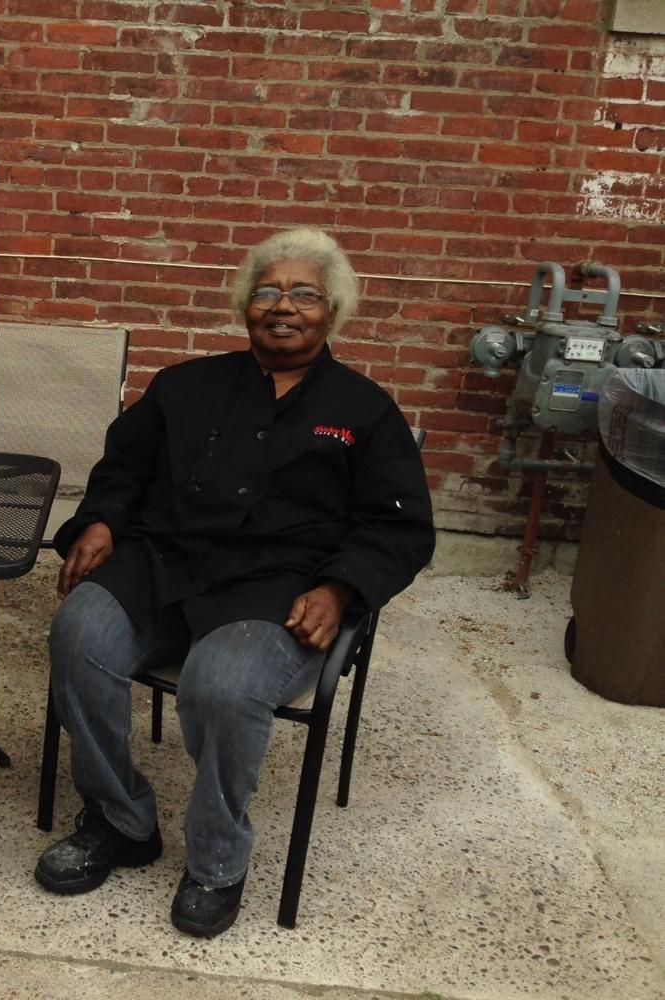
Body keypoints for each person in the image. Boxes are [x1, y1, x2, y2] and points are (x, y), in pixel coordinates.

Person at [35, 227, 435, 938]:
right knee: (80, 633)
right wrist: (98, 521)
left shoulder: (365, 411)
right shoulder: (184, 385)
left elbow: (397, 527)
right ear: (245, 305)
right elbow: (124, 468)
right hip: (164, 559)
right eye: (267, 291)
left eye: (304, 294)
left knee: (220, 684)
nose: (283, 306)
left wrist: (340, 588)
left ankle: (217, 860)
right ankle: (120, 819)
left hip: (280, 584)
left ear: (332, 310)